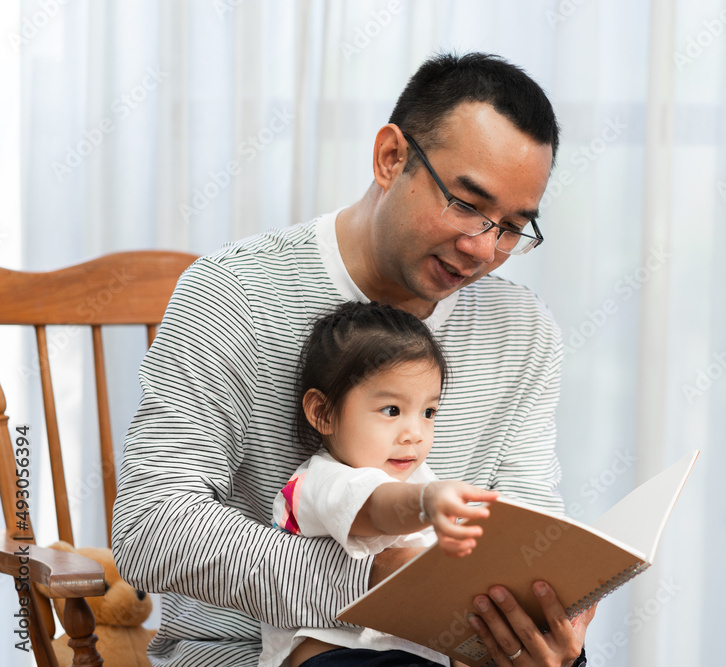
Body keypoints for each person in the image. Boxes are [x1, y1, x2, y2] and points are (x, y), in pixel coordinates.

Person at [113, 51, 594, 666]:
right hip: (245, 652)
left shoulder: (522, 331)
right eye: (467, 205)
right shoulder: (236, 293)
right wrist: (380, 584)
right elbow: (152, 528)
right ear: (391, 157)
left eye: (512, 227)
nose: (482, 247)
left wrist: (547, 623)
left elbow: (530, 525)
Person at [259, 301, 498, 667]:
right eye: (392, 411)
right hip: (334, 653)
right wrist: (428, 503)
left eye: (428, 412)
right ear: (323, 412)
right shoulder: (316, 482)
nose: (415, 434)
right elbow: (378, 507)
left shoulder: (421, 479)